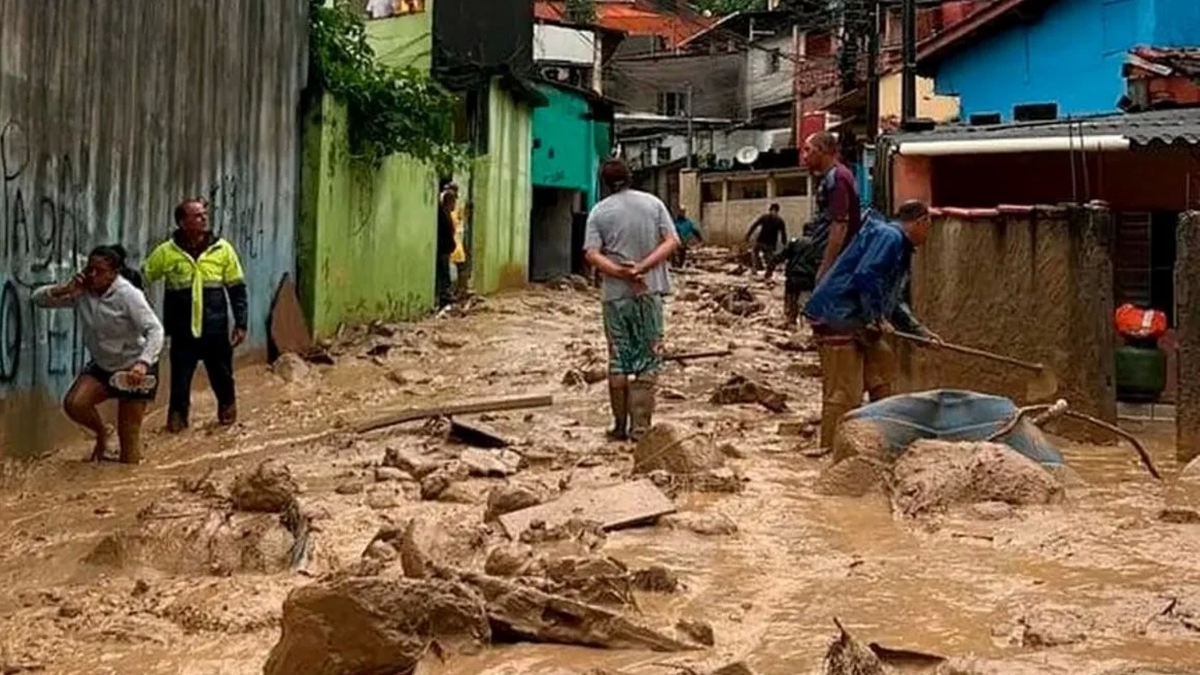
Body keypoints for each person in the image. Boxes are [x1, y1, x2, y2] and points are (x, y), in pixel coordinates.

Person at [803, 200, 942, 450]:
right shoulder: (890, 237)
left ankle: (881, 439)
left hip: (857, 319)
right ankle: (831, 450)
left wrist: (919, 332)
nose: (928, 234)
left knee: (882, 372)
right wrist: (875, 318)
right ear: (921, 221)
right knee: (844, 392)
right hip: (837, 317)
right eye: (929, 226)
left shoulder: (897, 244)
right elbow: (866, 275)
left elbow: (893, 300)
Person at [33, 245, 164, 463]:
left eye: (100, 271)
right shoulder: (81, 292)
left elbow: (155, 330)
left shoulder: (128, 295)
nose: (92, 275)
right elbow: (38, 299)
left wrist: (143, 363)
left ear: (114, 273)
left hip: (135, 368)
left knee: (129, 450)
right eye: (89, 269)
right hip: (103, 366)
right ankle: (103, 433)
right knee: (75, 404)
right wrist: (64, 289)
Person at [583, 158, 680, 442]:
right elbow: (672, 241)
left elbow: (591, 253)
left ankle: (618, 427)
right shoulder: (654, 204)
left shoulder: (599, 211)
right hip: (649, 292)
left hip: (615, 296)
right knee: (648, 359)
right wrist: (642, 268)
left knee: (618, 359)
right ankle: (641, 430)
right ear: (630, 177)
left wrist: (620, 272)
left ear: (604, 183)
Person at [144, 198, 248, 432]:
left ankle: (227, 421)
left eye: (204, 215)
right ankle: (176, 426)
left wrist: (241, 323)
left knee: (223, 379)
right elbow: (143, 278)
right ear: (182, 222)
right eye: (197, 216)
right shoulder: (166, 252)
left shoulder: (222, 249)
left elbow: (237, 289)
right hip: (182, 333)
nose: (204, 219)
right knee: (179, 385)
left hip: (215, 330)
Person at [802, 131, 863, 282]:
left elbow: (839, 225)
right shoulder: (831, 176)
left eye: (808, 150)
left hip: (839, 261)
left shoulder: (837, 178)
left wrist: (825, 268)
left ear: (821, 150)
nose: (804, 156)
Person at [774, 234, 820, 328]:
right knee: (805, 303)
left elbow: (782, 255)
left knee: (791, 302)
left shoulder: (794, 242)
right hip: (808, 278)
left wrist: (771, 265)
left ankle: (791, 322)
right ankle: (806, 326)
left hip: (793, 276)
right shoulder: (817, 243)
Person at [744, 203, 787, 279]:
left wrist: (748, 235)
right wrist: (748, 235)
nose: (773, 212)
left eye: (774, 211)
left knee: (766, 257)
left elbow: (783, 233)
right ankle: (758, 269)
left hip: (766, 242)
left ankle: (763, 271)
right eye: (773, 210)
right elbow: (754, 225)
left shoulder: (771, 219)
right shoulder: (777, 220)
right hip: (765, 242)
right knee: (757, 253)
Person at [436, 188, 457, 308]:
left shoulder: (446, 213)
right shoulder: (442, 214)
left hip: (446, 249)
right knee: (444, 274)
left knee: (445, 272)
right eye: (454, 202)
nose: (455, 205)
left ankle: (446, 295)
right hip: (443, 249)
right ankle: (444, 296)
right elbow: (446, 232)